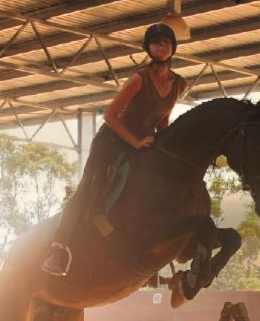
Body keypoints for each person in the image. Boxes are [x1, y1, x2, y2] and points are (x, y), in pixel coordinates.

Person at [41, 22, 187, 276]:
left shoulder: (178, 84)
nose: (161, 45)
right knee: (87, 189)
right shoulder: (139, 79)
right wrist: (135, 142)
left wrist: (166, 148)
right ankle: (58, 248)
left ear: (173, 47)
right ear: (149, 48)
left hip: (145, 142)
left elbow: (162, 118)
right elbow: (110, 115)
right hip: (111, 141)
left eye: (166, 41)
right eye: (156, 42)